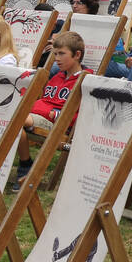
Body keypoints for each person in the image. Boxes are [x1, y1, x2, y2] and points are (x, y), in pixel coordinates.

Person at [13, 30, 85, 191]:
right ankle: (25, 163)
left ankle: (25, 165)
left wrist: (53, 113)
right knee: (13, 122)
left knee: (16, 120)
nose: (57, 58)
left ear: (77, 54)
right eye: (55, 53)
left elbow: (80, 114)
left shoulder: (84, 81)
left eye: (61, 54)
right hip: (38, 116)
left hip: (58, 124)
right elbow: (44, 100)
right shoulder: (57, 77)